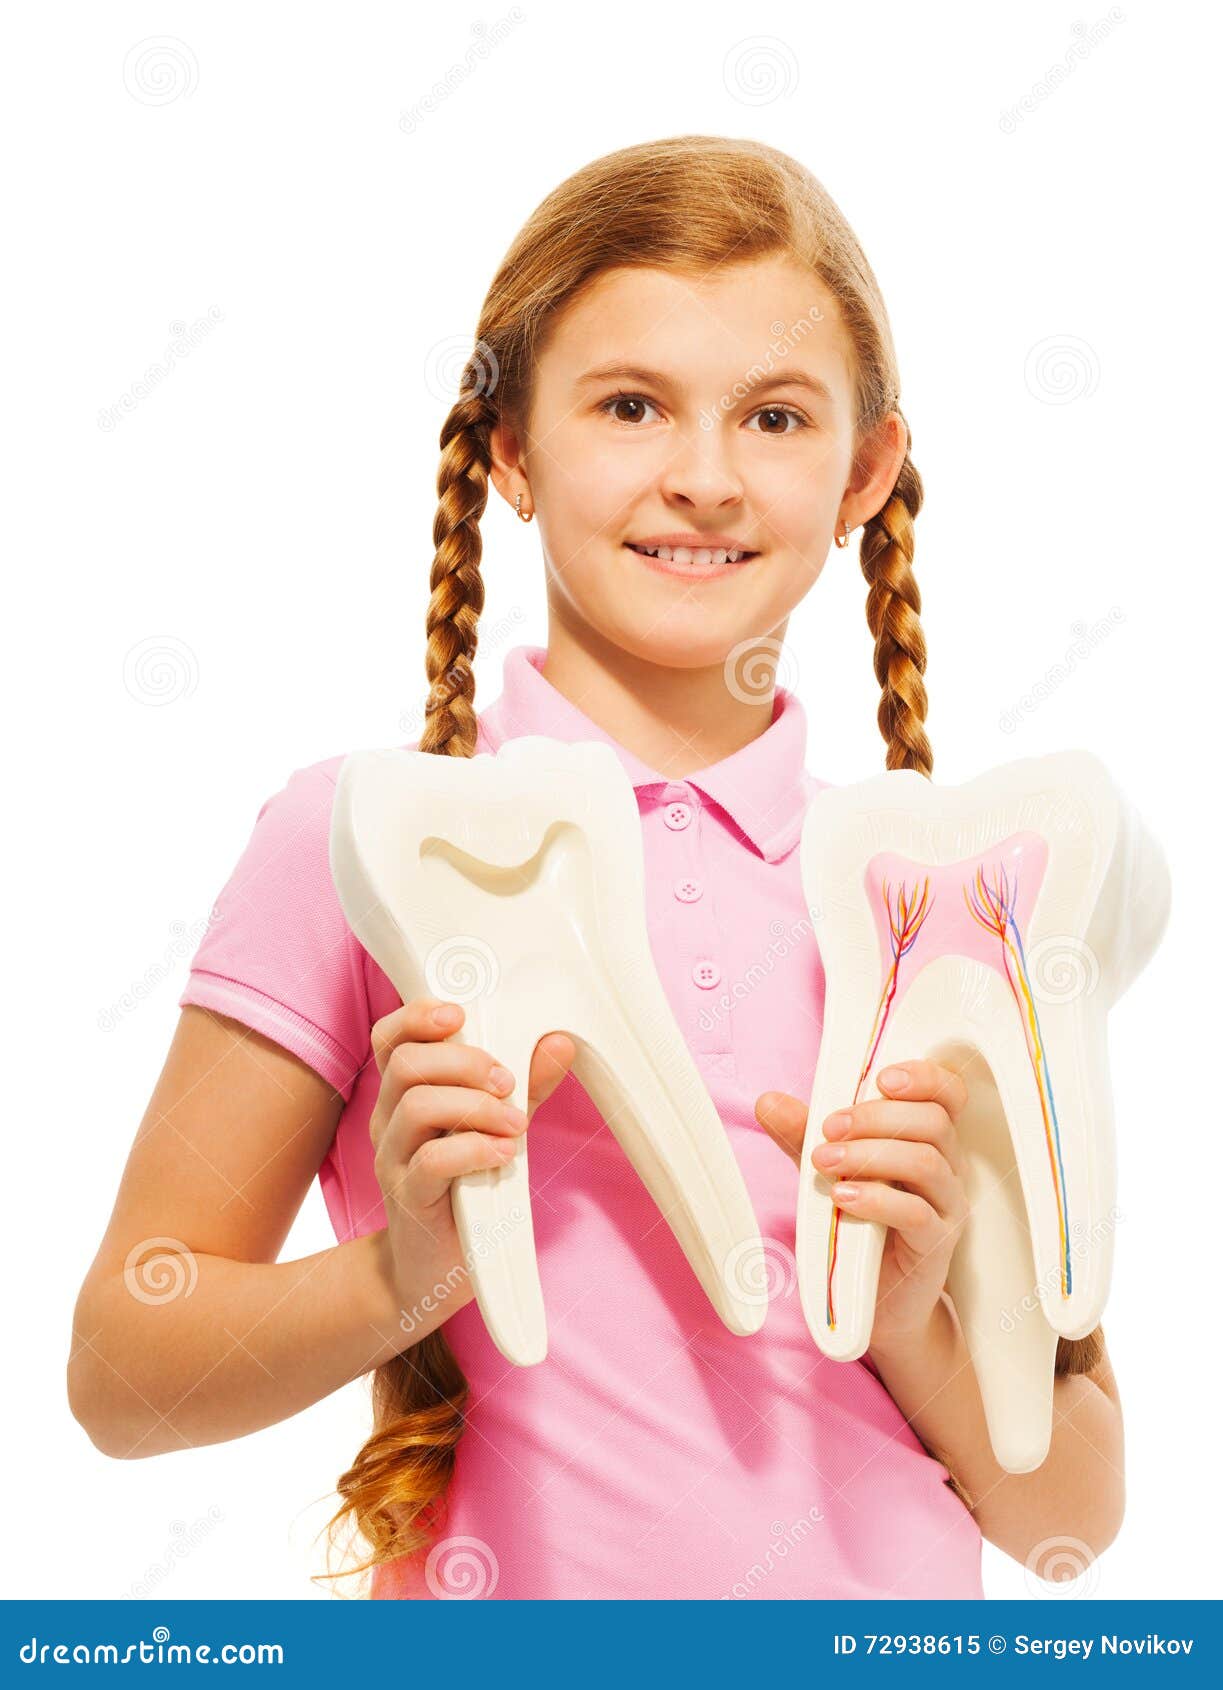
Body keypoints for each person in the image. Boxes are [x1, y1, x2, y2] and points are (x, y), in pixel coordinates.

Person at [68, 135, 1123, 1600]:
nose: (702, 478)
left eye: (773, 416)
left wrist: (912, 1319)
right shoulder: (360, 842)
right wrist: (406, 1273)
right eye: (631, 405)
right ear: (508, 446)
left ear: (865, 467)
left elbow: (1073, 1509)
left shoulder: (938, 894)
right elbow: (126, 1372)